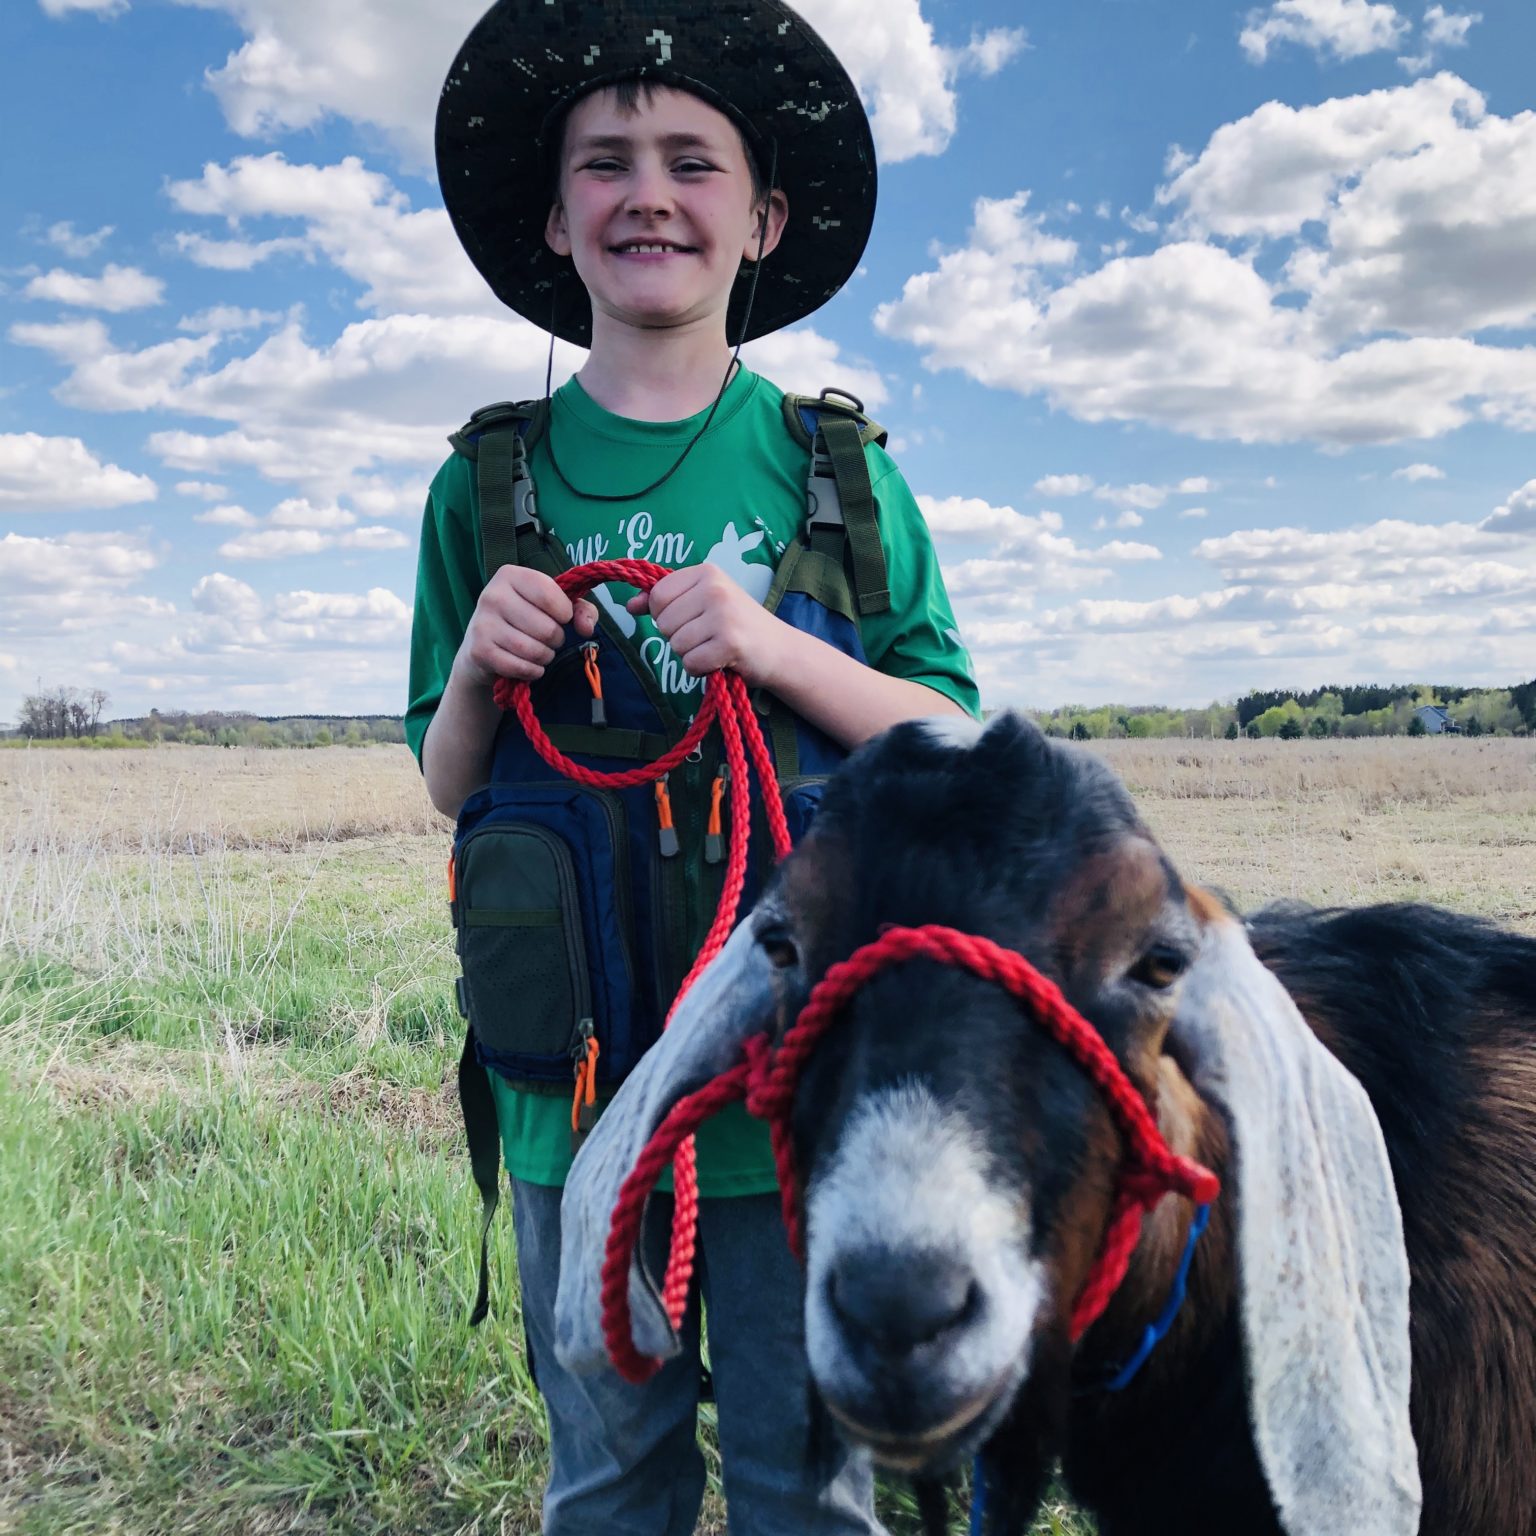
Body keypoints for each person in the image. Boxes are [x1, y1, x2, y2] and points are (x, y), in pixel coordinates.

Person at [407, 3, 981, 1531]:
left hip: (808, 1105)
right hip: (583, 1113)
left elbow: (950, 741)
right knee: (608, 1479)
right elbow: (451, 783)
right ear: (556, 217)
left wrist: (776, 648)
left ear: (762, 218)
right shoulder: (484, 486)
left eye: (691, 161)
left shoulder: (839, 472)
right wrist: (478, 664)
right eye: (604, 163)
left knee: (820, 1489)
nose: (646, 192)